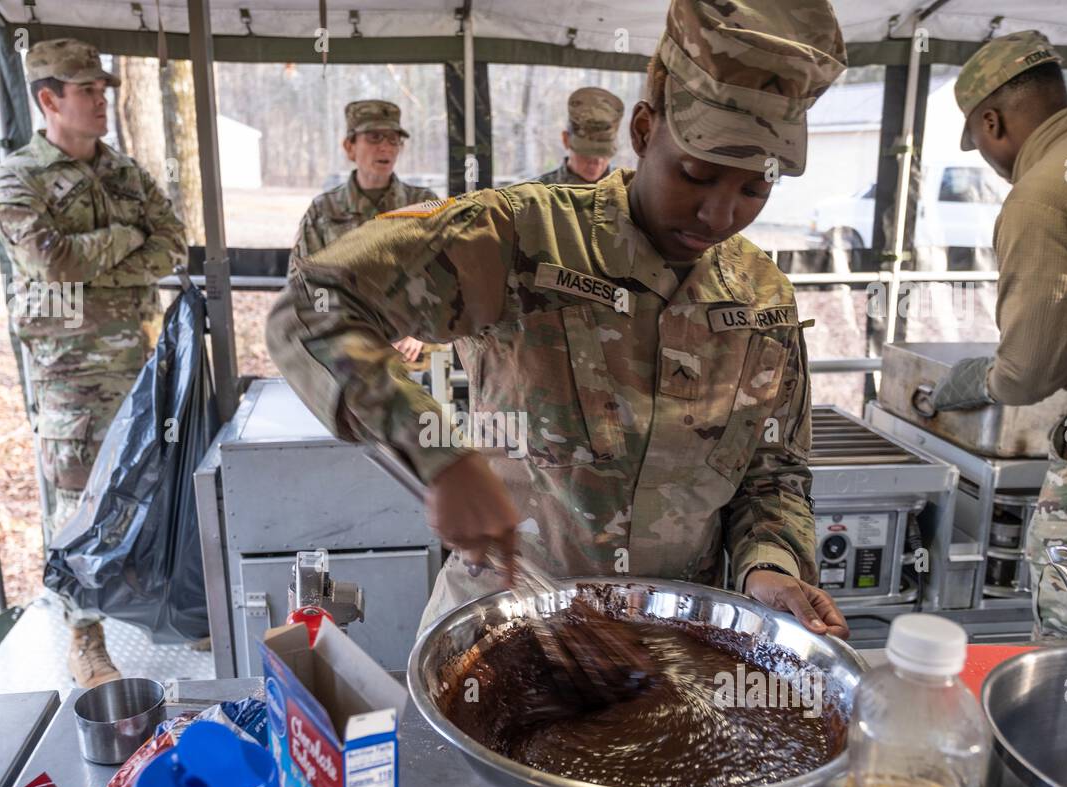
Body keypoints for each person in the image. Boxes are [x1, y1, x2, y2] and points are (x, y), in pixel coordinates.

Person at [266, 0, 851, 640]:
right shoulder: (520, 236)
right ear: (644, 129)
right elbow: (311, 305)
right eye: (696, 174)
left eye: (753, 190)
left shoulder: (763, 296)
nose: (718, 215)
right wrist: (441, 454)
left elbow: (773, 474)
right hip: (508, 628)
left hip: (674, 647)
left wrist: (768, 566)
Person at [0, 38, 187, 686]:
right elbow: (53, 260)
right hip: (71, 377)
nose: (103, 100)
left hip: (137, 361)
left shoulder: (125, 172)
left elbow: (174, 242)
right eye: (88, 91)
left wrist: (102, 253)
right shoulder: (19, 176)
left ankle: (155, 608)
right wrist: (129, 240)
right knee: (75, 505)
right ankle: (85, 639)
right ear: (49, 99)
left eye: (104, 90)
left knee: (152, 490)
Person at [922, 31, 1067, 639]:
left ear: (992, 121)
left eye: (978, 140)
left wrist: (977, 380)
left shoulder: (1041, 196)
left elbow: (1031, 369)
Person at [291, 99, 437, 363]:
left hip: (412, 349)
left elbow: (444, 277)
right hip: (346, 352)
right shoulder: (324, 211)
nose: (386, 147)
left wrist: (420, 332)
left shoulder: (423, 205)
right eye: (374, 137)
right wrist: (337, 335)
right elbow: (306, 283)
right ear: (349, 147)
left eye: (394, 140)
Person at [536, 87, 624, 185]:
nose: (597, 161)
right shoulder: (538, 192)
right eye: (588, 152)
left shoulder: (628, 190)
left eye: (603, 152)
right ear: (566, 140)